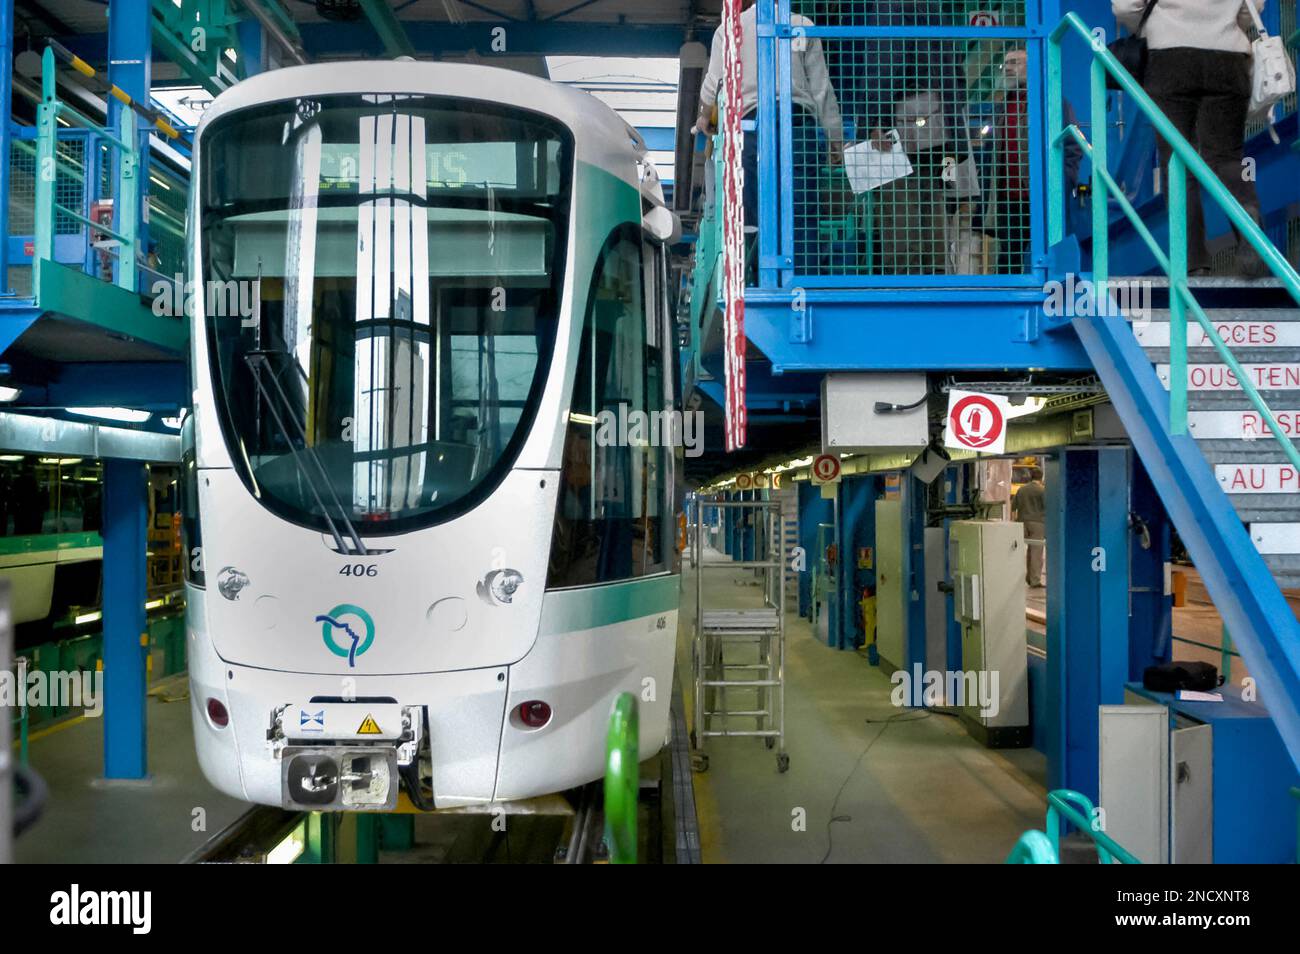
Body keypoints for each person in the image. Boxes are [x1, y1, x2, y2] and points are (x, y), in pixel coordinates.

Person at [1113, 0, 1268, 277]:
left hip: (1169, 58)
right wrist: (1222, 23)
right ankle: (1249, 225)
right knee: (1227, 156)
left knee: (1177, 160)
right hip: (1229, 58)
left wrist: (1153, 26)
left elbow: (1125, 7)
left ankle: (1192, 261)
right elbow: (1253, 5)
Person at [696, 0, 846, 273]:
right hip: (798, 129)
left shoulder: (729, 30)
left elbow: (714, 83)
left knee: (752, 213)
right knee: (801, 212)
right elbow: (821, 89)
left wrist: (704, 117)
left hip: (749, 131)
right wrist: (835, 139)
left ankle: (753, 278)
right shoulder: (801, 25)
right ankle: (802, 280)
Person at [1012, 466, 1046, 588]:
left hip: (1022, 523)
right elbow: (1047, 508)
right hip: (1038, 523)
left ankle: (1028, 578)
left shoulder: (1022, 490)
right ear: (1041, 478)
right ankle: (1035, 580)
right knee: (1036, 552)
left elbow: (1013, 507)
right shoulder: (1042, 491)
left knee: (1028, 551)